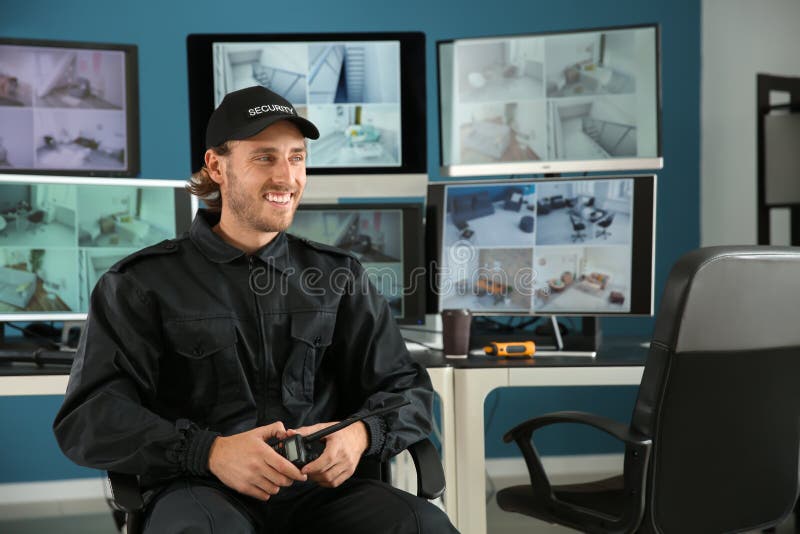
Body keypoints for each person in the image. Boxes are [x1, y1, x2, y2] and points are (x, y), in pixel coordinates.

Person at [54, 85, 457, 533]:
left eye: (297, 157)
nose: (286, 177)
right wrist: (208, 451)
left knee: (423, 526)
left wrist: (360, 434)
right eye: (264, 157)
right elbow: (89, 416)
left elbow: (408, 390)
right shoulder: (139, 283)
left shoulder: (339, 276)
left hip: (322, 494)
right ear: (217, 167)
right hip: (199, 489)